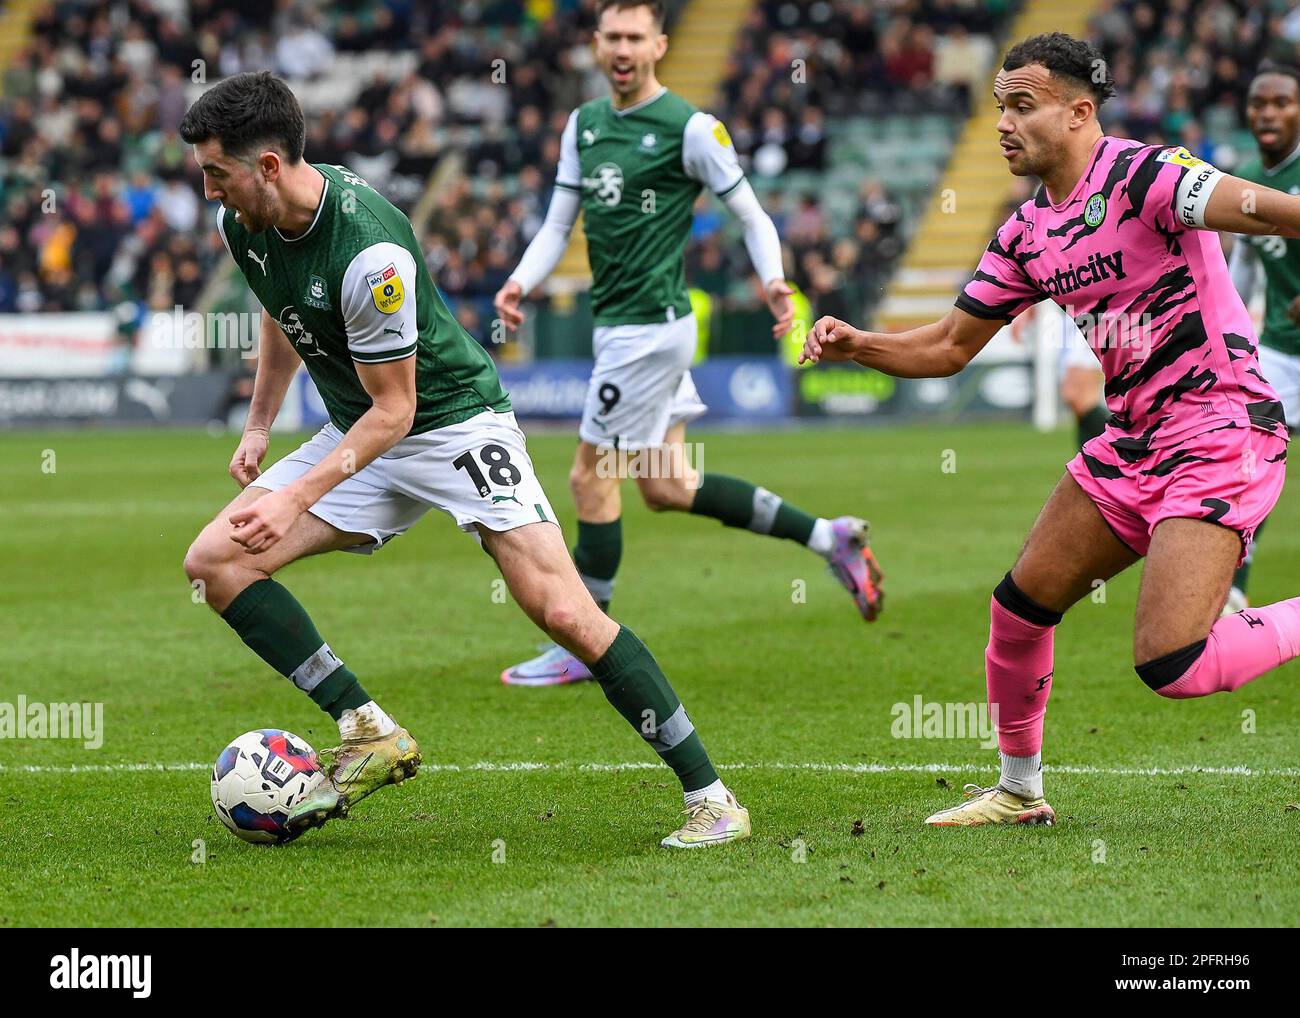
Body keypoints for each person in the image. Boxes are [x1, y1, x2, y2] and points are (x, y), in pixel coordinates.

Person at [179, 71, 750, 848]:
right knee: (217, 561)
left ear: (269, 165)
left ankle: (712, 797)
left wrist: (292, 495)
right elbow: (279, 309)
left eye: (217, 172)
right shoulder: (245, 223)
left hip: (450, 423)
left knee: (564, 612)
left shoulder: (370, 253)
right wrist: (258, 424)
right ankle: (366, 727)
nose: (209, 190)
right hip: (362, 433)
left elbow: (399, 411)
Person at [801, 33, 1300, 826]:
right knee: (1019, 607)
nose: (1003, 124)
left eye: (1022, 106)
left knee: (1173, 661)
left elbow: (1272, 211)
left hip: (1220, 428)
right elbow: (948, 345)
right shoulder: (1028, 231)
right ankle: (1018, 791)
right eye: (1000, 106)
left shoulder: (1149, 178)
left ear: (1079, 112)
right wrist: (859, 344)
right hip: (1134, 440)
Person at [493, 0, 883, 687]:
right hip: (625, 326)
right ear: (594, 43)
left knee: (590, 479)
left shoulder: (691, 129)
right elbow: (558, 226)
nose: (622, 48)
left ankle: (586, 641)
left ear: (659, 45)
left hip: (647, 330)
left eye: (635, 37)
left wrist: (774, 283)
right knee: (668, 486)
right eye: (611, 36)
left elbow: (752, 215)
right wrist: (519, 282)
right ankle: (830, 536)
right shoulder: (583, 126)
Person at [1223, 63, 1300, 614]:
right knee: (1247, 464)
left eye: (1281, 102)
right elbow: (1242, 270)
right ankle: (1230, 588)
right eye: (1258, 103)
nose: (1268, 113)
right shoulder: (1246, 180)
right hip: (1279, 350)